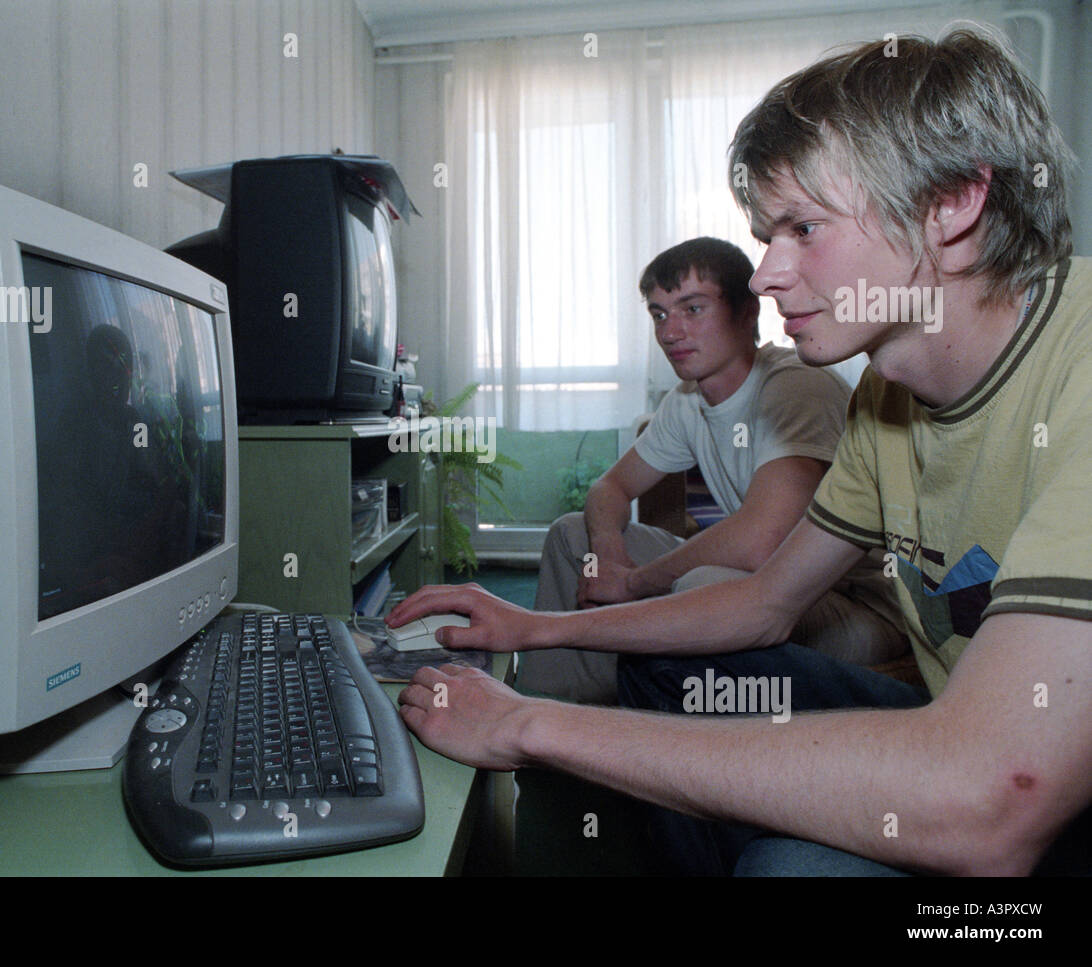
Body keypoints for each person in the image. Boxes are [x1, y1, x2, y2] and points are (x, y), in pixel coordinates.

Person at [388, 27, 1092, 875]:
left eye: (801, 227)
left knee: (791, 868)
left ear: (951, 206)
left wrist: (524, 724)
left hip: (1034, 808)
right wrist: (535, 625)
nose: (762, 276)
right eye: (767, 235)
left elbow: (996, 799)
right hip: (962, 737)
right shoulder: (884, 395)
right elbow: (764, 601)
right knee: (667, 673)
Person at [523, 237, 905, 704]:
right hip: (777, 583)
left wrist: (633, 582)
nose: (670, 332)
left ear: (747, 314)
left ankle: (650, 746)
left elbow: (761, 542)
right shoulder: (687, 400)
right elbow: (612, 487)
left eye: (693, 309)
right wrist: (607, 553)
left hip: (859, 608)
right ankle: (562, 721)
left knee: (701, 585)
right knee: (571, 537)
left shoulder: (794, 386)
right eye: (659, 314)